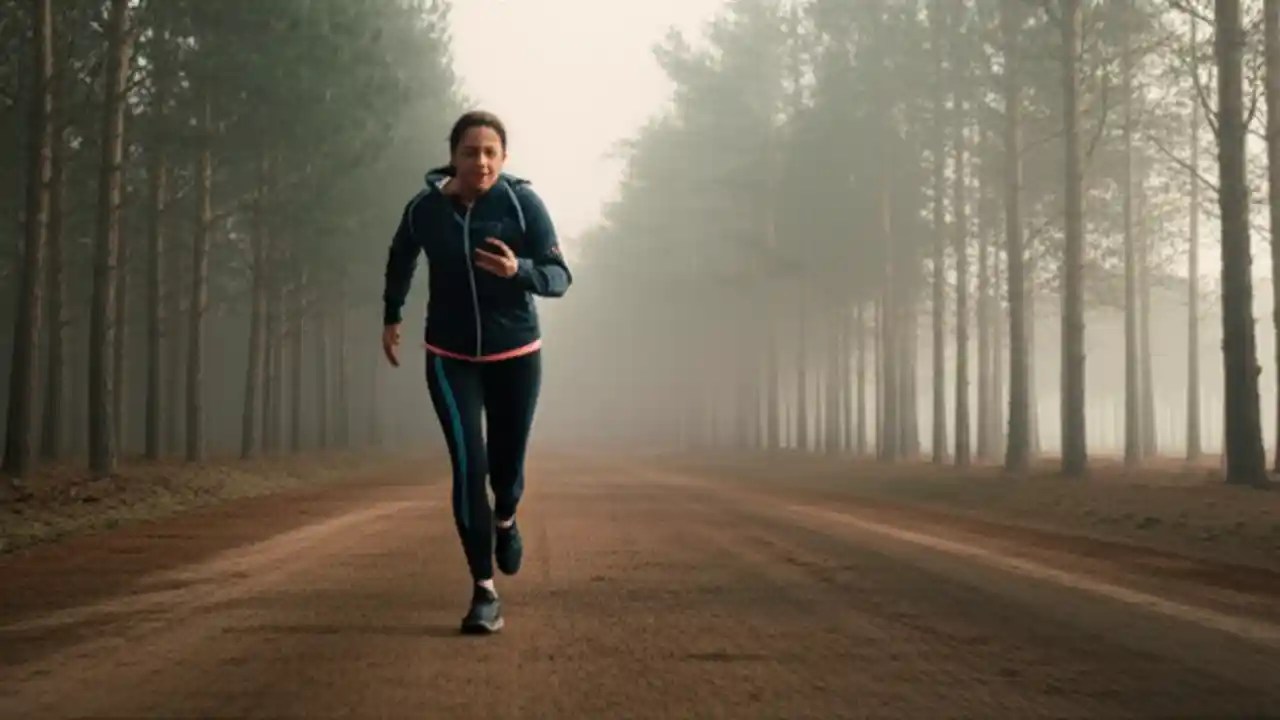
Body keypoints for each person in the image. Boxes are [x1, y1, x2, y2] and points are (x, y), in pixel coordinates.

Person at [380, 110, 572, 634]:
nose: (480, 162)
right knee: (470, 466)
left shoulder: (521, 203)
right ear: (454, 157)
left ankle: (506, 518)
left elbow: (560, 276)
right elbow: (401, 256)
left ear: (503, 158)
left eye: (490, 152)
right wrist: (392, 313)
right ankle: (484, 591)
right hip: (450, 355)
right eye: (470, 152)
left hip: (515, 356)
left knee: (505, 475)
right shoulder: (425, 210)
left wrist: (521, 271)